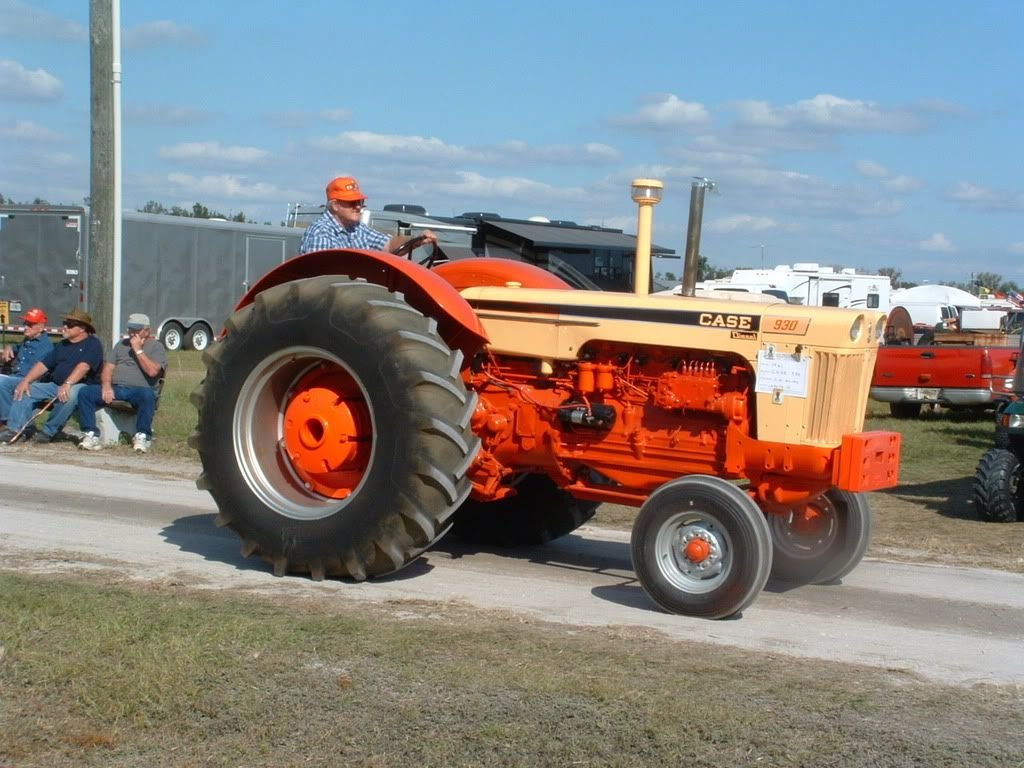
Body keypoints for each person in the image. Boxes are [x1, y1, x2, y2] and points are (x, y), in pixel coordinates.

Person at [0, 308, 104, 445]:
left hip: (82, 385)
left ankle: (49, 431)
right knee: (25, 390)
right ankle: (16, 430)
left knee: (69, 395)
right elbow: (43, 365)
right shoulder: (62, 345)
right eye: (65, 323)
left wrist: (67, 384)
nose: (65, 327)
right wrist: (26, 381)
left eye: (70, 324)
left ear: (82, 328)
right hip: (55, 384)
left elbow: (83, 367)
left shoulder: (93, 344)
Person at [77, 313, 167, 453]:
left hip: (141, 390)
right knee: (85, 392)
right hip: (116, 388)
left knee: (147, 396)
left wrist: (138, 350)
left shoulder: (156, 347)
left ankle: (143, 435)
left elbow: (153, 372)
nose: (132, 333)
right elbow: (108, 368)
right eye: (130, 329)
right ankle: (90, 433)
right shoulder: (121, 345)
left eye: (136, 330)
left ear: (147, 331)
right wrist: (106, 386)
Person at [298, 176, 438, 255]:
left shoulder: (357, 229)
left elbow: (388, 245)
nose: (358, 207)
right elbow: (324, 276)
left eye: (360, 201)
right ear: (335, 205)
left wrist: (416, 240)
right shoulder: (321, 232)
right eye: (352, 203)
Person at [0, 307, 54, 425]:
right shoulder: (28, 340)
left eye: (30, 324)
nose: (25, 327)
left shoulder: (45, 347)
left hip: (29, 381)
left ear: (40, 327)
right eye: (25, 323)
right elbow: (17, 348)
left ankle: (6, 421)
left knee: (1, 382)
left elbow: (40, 372)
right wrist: (9, 347)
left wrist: (26, 381)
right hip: (16, 377)